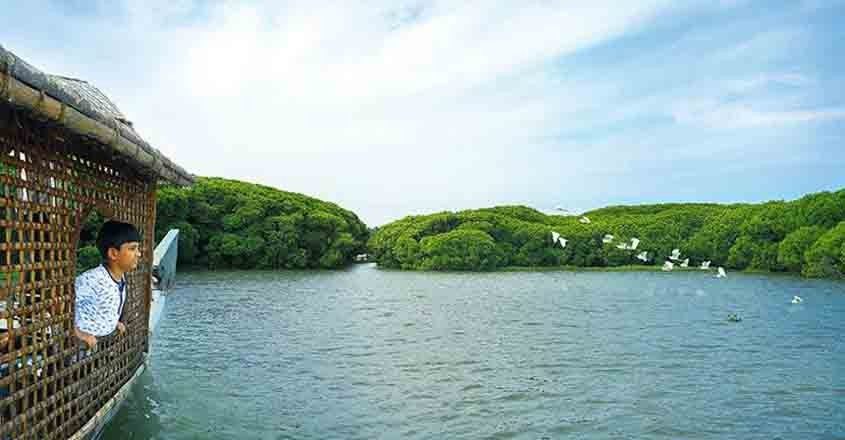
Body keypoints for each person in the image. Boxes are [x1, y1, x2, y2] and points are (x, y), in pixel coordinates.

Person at [74, 220, 141, 349]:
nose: (138, 253)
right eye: (132, 248)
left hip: (100, 348)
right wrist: (77, 333)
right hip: (80, 351)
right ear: (113, 253)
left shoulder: (120, 278)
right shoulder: (92, 280)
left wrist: (112, 322)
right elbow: (59, 306)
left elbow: (102, 306)